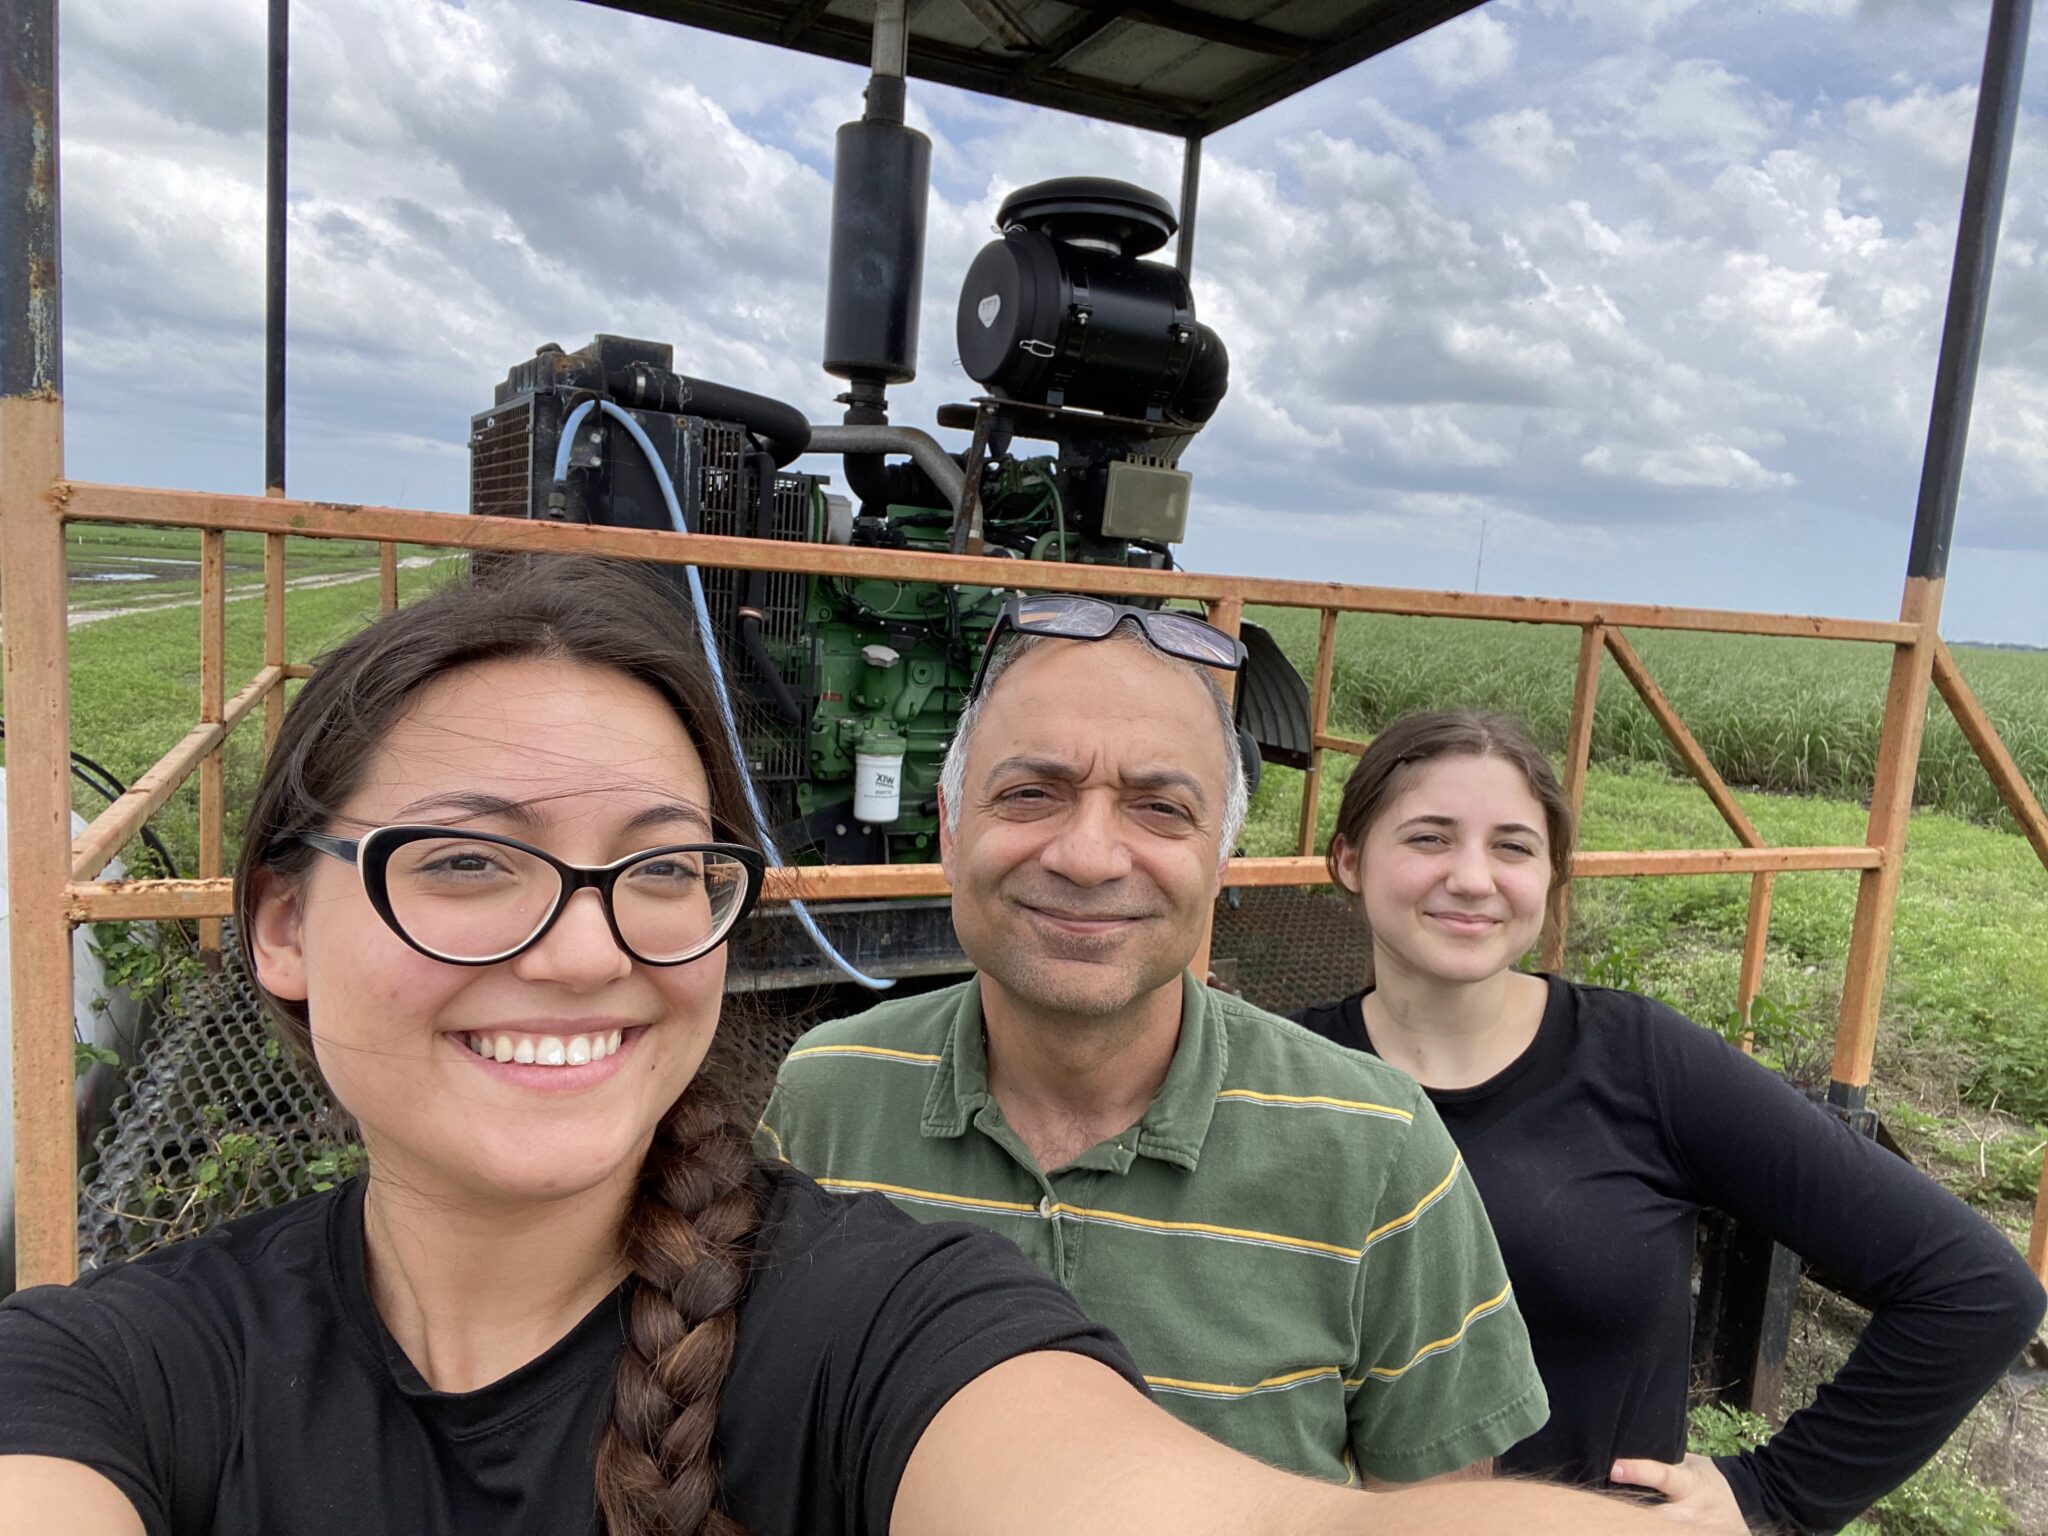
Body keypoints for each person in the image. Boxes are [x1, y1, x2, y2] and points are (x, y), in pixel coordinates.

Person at [0, 564, 1677, 1536]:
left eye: (658, 868)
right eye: (466, 858)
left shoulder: (883, 1304)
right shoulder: (837, 1089)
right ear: (280, 922)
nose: (583, 944)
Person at [759, 595, 1549, 1488]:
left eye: (1160, 809)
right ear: (948, 827)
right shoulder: (828, 1100)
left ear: (1222, 856)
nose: (1089, 856)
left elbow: (1436, 1510)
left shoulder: (1377, 1150)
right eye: (1030, 793)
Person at [1292, 707, 2047, 1533]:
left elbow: (1974, 1288)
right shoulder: (1277, 1078)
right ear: (1350, 859)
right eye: (1429, 838)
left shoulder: (1640, 1063)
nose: (1473, 877)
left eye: (1513, 846)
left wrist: (1775, 1493)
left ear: (1551, 877)